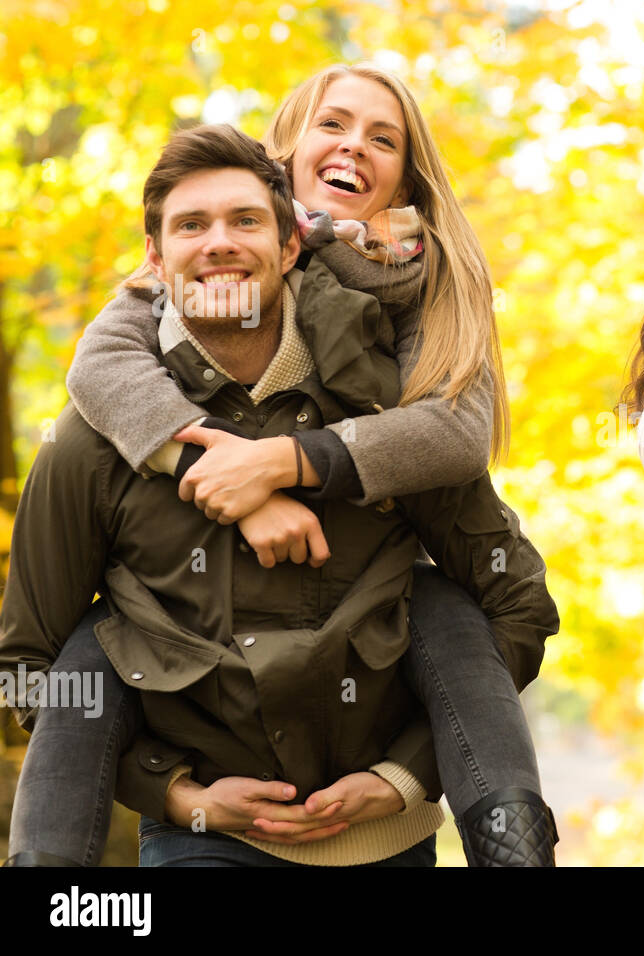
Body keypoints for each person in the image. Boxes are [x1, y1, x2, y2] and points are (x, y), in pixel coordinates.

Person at [2, 97, 558, 865]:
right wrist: (174, 795)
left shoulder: (386, 415)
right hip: (207, 841)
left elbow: (518, 605)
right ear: (155, 264)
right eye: (191, 226)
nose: (219, 245)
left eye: (245, 221)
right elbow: (25, 674)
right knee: (90, 651)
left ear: (293, 245)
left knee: (443, 604)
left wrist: (405, 776)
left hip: (385, 839)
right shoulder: (93, 441)